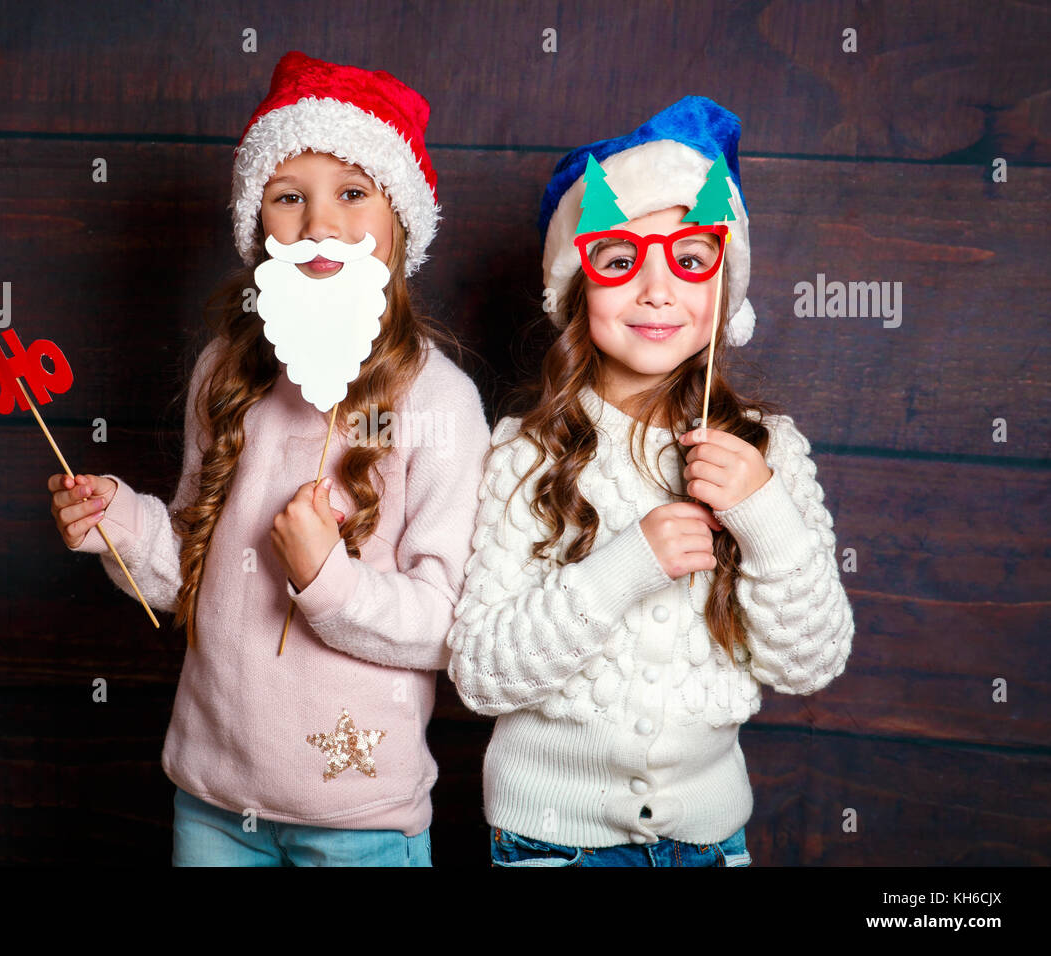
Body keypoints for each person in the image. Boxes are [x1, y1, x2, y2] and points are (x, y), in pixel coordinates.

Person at [48, 51, 490, 866]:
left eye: (352, 194)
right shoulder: (226, 370)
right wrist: (119, 522)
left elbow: (450, 626)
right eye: (291, 198)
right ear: (259, 225)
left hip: (360, 816)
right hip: (212, 802)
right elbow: (192, 562)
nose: (321, 224)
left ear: (401, 220)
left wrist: (329, 580)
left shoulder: (440, 403)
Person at [445, 95, 855, 867]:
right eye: (621, 259)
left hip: (708, 843)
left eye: (691, 260)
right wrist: (628, 565)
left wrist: (763, 514)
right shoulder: (525, 455)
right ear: (575, 290)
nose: (658, 290)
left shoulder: (772, 455)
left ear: (723, 293)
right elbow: (481, 674)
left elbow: (811, 664)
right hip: (551, 843)